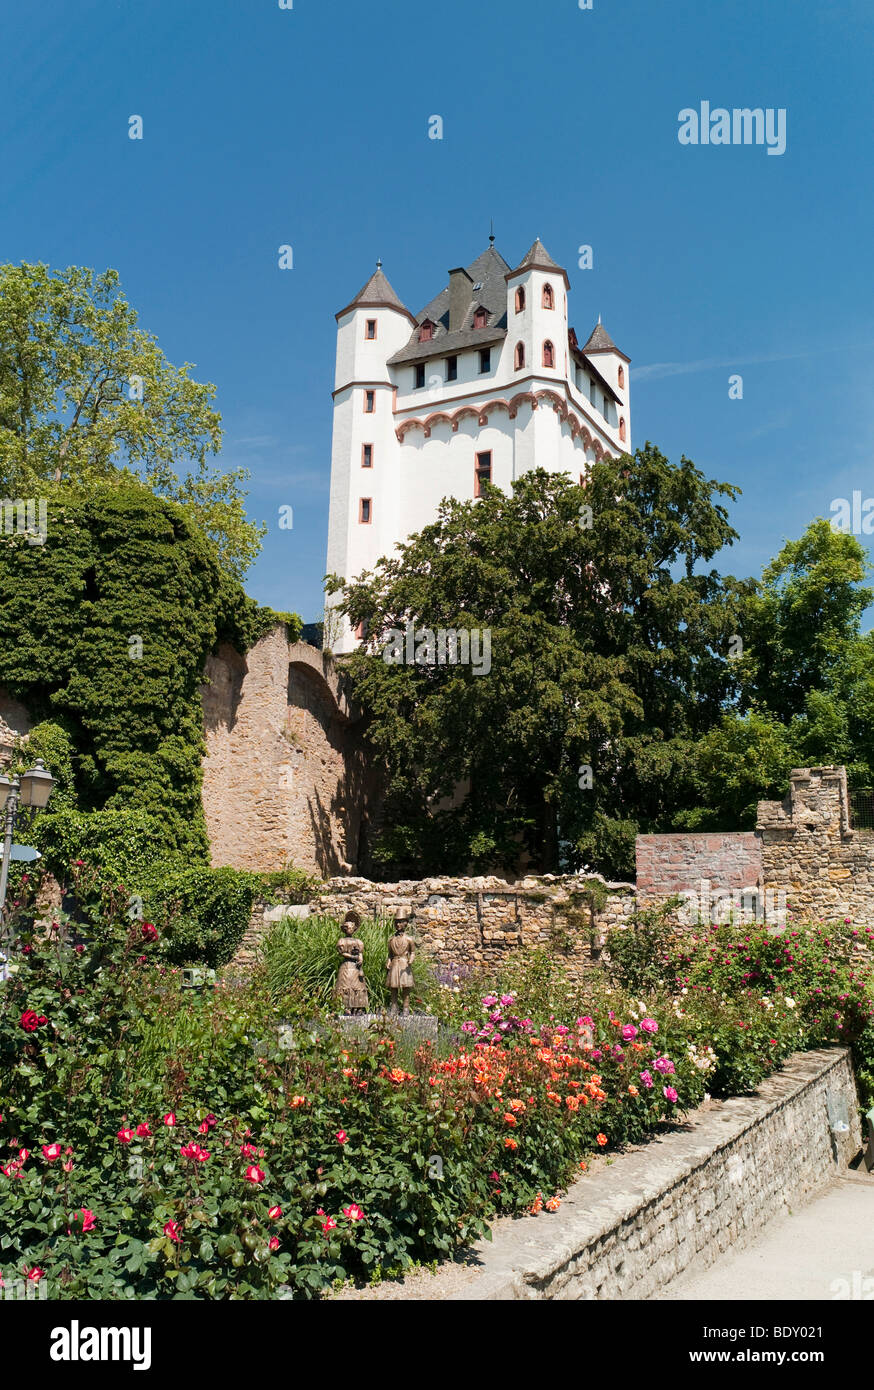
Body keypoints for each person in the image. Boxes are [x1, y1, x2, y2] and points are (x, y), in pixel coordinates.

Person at [334, 910, 369, 1015]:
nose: (349, 930)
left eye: (351, 928)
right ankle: (345, 1007)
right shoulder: (342, 941)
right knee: (345, 985)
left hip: (356, 967)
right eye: (347, 928)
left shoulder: (358, 942)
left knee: (357, 986)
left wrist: (360, 958)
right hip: (346, 965)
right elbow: (342, 953)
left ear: (354, 929)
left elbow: (361, 952)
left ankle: (358, 1007)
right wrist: (353, 956)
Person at [385, 916, 416, 1015]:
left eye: (400, 922)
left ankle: (405, 1008)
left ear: (405, 923)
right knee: (393, 987)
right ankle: (394, 1007)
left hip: (404, 964)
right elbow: (390, 954)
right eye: (396, 922)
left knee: (406, 987)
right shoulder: (391, 940)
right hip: (394, 964)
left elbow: (413, 952)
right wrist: (388, 962)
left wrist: (411, 960)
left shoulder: (409, 939)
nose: (398, 925)